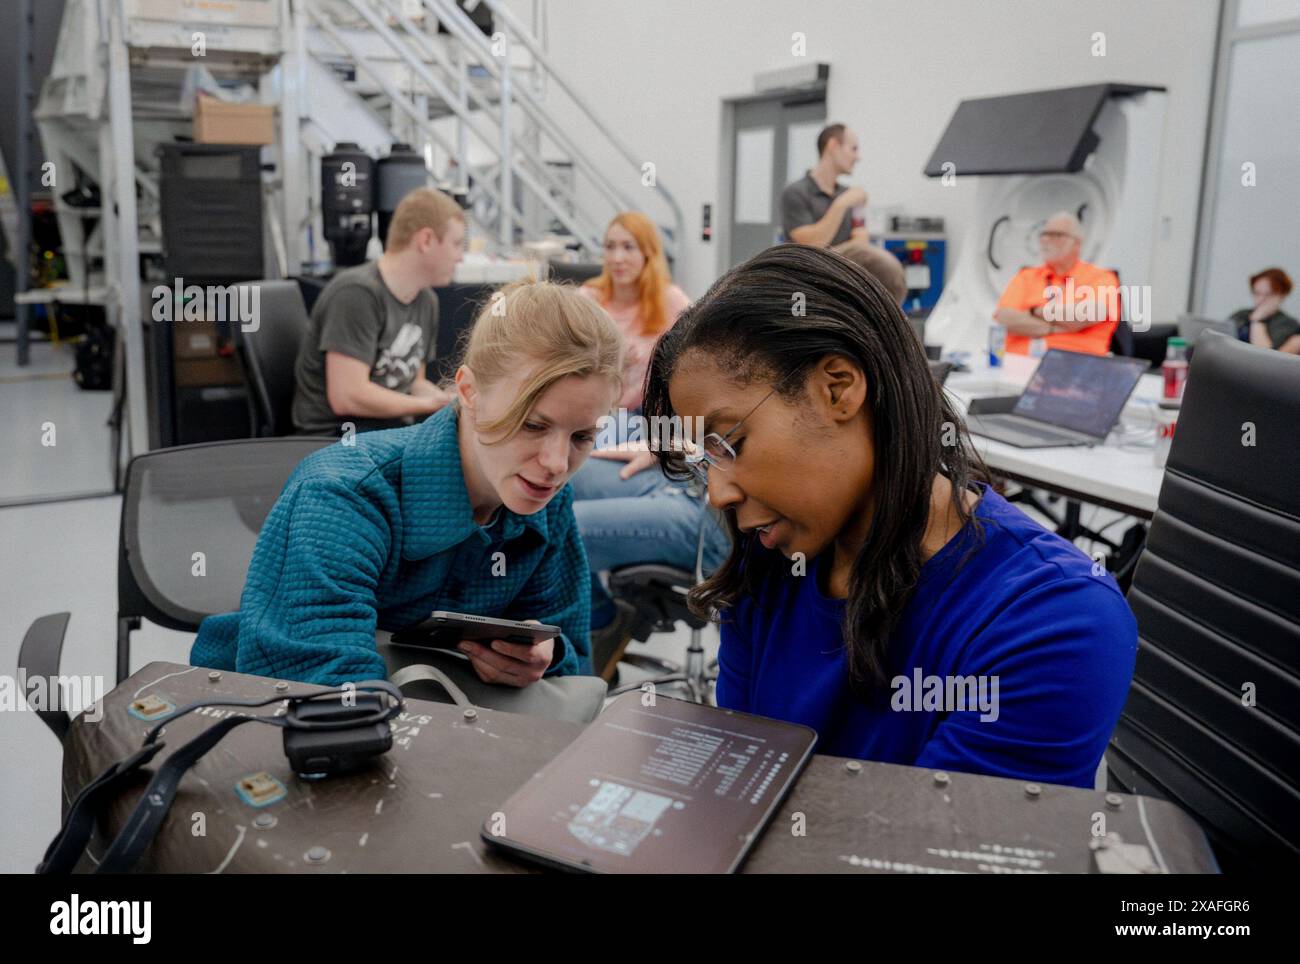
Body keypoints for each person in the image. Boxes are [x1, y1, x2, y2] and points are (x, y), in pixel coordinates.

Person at [641, 244, 1138, 789]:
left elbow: (927, 851)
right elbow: (740, 794)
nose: (716, 493)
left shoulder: (1054, 621)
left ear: (839, 388)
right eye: (703, 459)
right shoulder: (770, 570)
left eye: (730, 442)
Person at [192, 279, 624, 687]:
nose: (555, 463)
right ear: (469, 393)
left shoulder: (549, 501)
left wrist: (541, 659)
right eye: (531, 425)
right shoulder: (342, 494)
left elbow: (571, 668)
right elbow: (328, 692)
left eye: (583, 436)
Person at [292, 187, 465, 435]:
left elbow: (412, 382)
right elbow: (347, 396)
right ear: (426, 240)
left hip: (386, 431)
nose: (460, 257)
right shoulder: (356, 293)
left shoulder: (426, 300)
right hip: (337, 436)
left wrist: (444, 400)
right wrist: (428, 404)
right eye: (457, 244)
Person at [577, 211, 690, 414]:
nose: (617, 258)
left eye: (628, 247)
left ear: (647, 253)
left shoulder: (671, 300)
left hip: (649, 414)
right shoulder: (588, 299)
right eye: (610, 247)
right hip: (595, 409)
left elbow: (693, 359)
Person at [992, 211, 1120, 356]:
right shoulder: (1026, 276)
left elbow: (1085, 315)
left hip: (1075, 364)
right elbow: (1004, 318)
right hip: (1019, 363)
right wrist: (1055, 327)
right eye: (1044, 234)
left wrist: (1035, 311)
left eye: (1056, 235)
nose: (1046, 240)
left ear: (1077, 243)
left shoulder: (1101, 278)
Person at [780, 123, 869, 249]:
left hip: (842, 269)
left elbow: (861, 244)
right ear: (833, 146)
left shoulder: (849, 194)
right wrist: (841, 203)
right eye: (853, 149)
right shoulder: (794, 193)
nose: (858, 157)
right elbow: (812, 246)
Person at [1229, 267, 1300, 354]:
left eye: (1268, 294)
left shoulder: (1288, 324)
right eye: (1257, 293)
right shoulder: (1241, 314)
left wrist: (1257, 320)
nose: (1261, 299)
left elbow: (1264, 356)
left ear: (1282, 295)